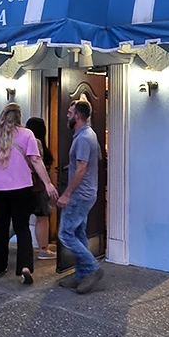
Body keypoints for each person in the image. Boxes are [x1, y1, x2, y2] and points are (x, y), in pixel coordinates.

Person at [0, 104, 58, 284]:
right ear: (19, 118)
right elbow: (36, 160)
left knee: (0, 226)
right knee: (22, 227)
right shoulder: (27, 134)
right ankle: (24, 267)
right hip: (21, 189)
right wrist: (48, 183)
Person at [57, 99, 103, 294]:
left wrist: (67, 193)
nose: (67, 114)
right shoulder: (89, 134)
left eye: (70, 112)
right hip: (87, 192)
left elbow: (82, 168)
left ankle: (93, 268)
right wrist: (74, 166)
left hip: (79, 195)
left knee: (65, 234)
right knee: (78, 233)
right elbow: (97, 157)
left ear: (77, 116)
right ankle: (80, 276)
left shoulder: (83, 138)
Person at [25, 116, 55, 259]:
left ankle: (0, 244)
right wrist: (48, 183)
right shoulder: (36, 142)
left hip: (25, 184)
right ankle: (43, 249)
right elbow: (37, 162)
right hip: (39, 185)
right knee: (42, 216)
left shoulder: (23, 140)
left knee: (19, 217)